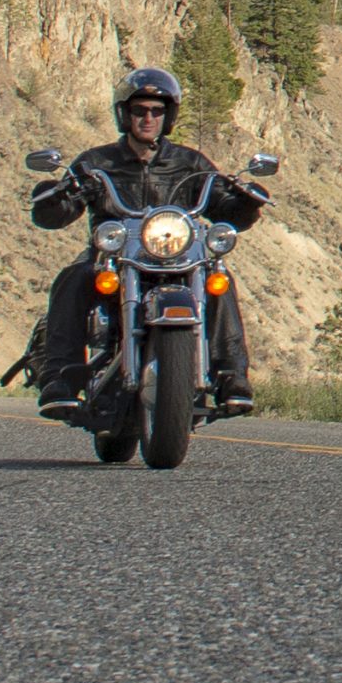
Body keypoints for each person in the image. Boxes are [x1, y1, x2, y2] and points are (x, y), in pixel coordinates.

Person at [30, 66, 266, 419]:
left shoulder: (190, 163)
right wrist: (56, 197)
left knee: (219, 280)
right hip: (112, 259)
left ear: (168, 116)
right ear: (125, 114)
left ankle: (231, 376)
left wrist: (245, 202)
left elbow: (224, 205)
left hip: (177, 259)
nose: (148, 118)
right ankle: (59, 378)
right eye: (139, 110)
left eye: (157, 111)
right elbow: (60, 211)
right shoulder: (97, 162)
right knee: (73, 278)